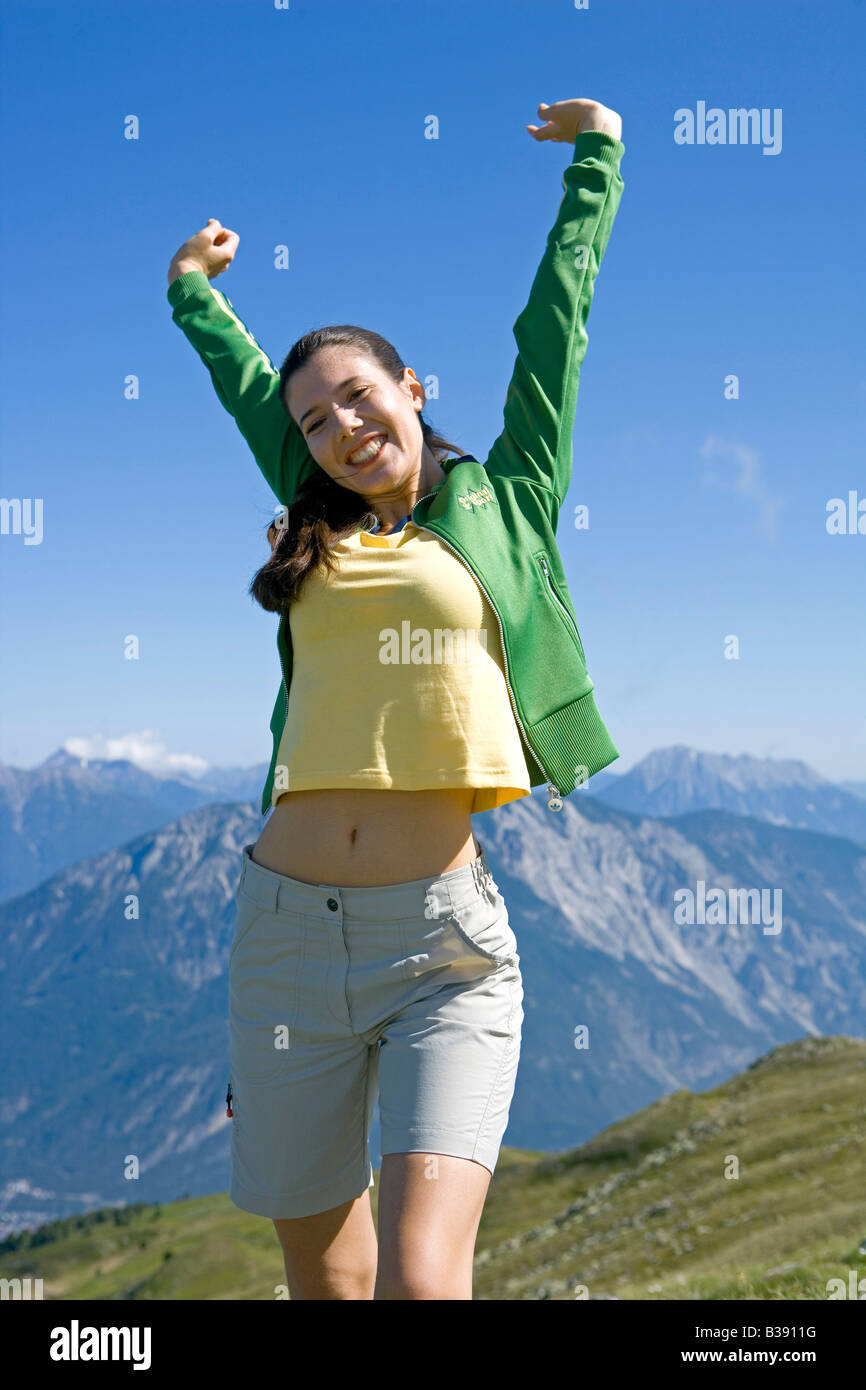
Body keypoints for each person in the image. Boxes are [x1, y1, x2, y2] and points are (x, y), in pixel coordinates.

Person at [166, 97, 625, 1299]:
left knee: (424, 1283)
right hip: (280, 941)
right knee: (326, 1284)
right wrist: (188, 289)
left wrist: (597, 161)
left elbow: (555, 326)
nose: (340, 428)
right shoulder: (314, 513)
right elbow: (238, 378)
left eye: (360, 396)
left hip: (441, 945)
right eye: (313, 420)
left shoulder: (506, 495)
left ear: (413, 386)